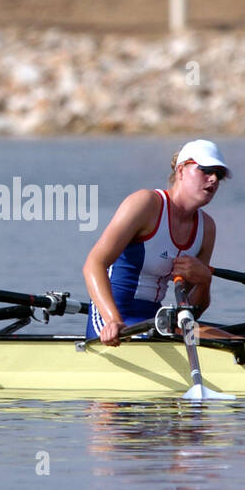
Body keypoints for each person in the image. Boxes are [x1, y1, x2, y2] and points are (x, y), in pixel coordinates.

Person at [83, 140, 229, 346]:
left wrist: (205, 281)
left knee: (232, 341)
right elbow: (93, 264)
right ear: (181, 170)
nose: (213, 179)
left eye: (219, 175)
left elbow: (189, 310)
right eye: (205, 170)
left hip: (154, 319)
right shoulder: (145, 204)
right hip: (113, 318)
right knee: (213, 341)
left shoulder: (207, 228)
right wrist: (113, 320)